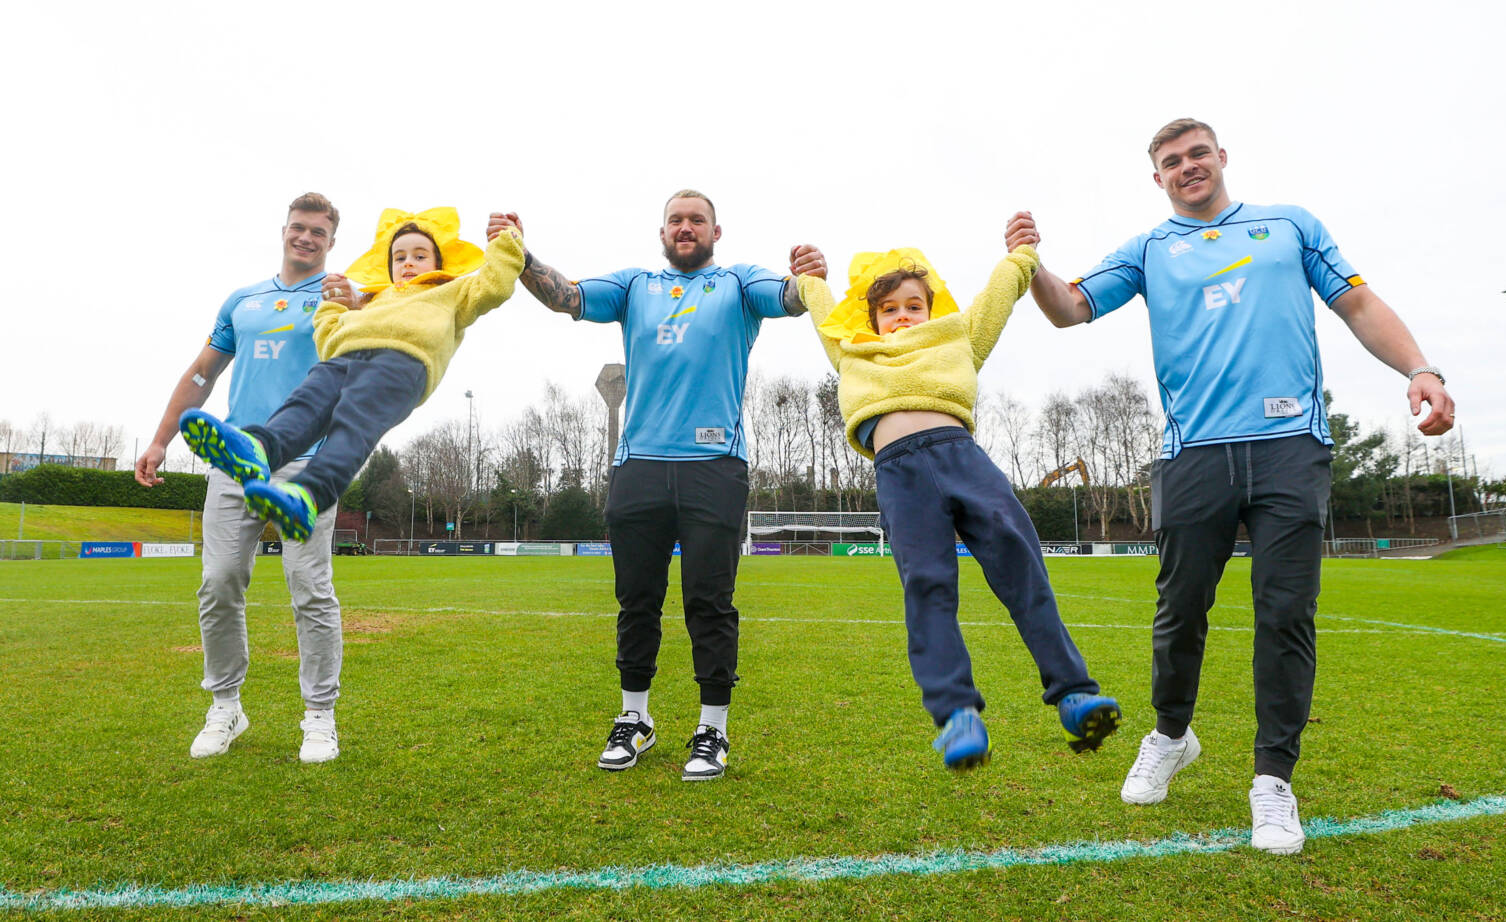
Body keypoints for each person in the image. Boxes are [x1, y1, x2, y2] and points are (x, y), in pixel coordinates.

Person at [1022, 118, 1455, 853]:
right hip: (1194, 455)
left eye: (1198, 154)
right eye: (1171, 161)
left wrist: (1420, 368)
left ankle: (1272, 780)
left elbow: (1357, 303)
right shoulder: (1148, 249)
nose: (1187, 166)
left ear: (1222, 158)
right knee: (1180, 610)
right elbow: (1071, 308)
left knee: (1285, 612)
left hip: (1292, 447)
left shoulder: (1290, 227)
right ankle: (1170, 735)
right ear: (1156, 177)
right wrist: (1029, 264)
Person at [489, 191, 824, 780]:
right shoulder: (633, 286)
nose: (686, 227)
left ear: (717, 231)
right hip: (637, 465)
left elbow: (792, 299)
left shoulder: (739, 284)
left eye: (697, 220)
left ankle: (711, 729)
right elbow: (565, 296)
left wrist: (806, 277)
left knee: (709, 602)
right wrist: (519, 252)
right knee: (636, 601)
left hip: (714, 464)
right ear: (662, 232)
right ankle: (634, 719)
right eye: (677, 220)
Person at [794, 227, 1121, 770]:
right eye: (890, 309)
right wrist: (811, 277)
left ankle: (1074, 694)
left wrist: (1021, 255)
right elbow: (824, 304)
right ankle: (957, 716)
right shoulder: (852, 350)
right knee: (927, 586)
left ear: (931, 307)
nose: (903, 316)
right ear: (871, 318)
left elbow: (999, 294)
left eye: (914, 306)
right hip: (901, 475)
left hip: (963, 458)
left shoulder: (958, 336)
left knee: (1022, 564)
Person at [136, 193, 346, 764]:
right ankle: (226, 706)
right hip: (236, 458)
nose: (306, 238)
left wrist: (357, 306)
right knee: (220, 580)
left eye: (318, 232)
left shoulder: (342, 296)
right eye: (299, 228)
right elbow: (202, 374)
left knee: (310, 587)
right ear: (283, 230)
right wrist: (161, 439)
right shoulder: (243, 301)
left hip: (307, 463)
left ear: (332, 241)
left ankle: (320, 717)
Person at [179, 207, 524, 546]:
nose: (408, 263)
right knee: (306, 401)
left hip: (403, 363)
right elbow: (329, 343)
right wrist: (332, 306)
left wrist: (506, 241)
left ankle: (308, 495)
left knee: (353, 420)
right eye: (400, 257)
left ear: (439, 263)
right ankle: (259, 448)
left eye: (420, 256)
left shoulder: (452, 292)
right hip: (345, 358)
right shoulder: (372, 301)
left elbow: (494, 286)